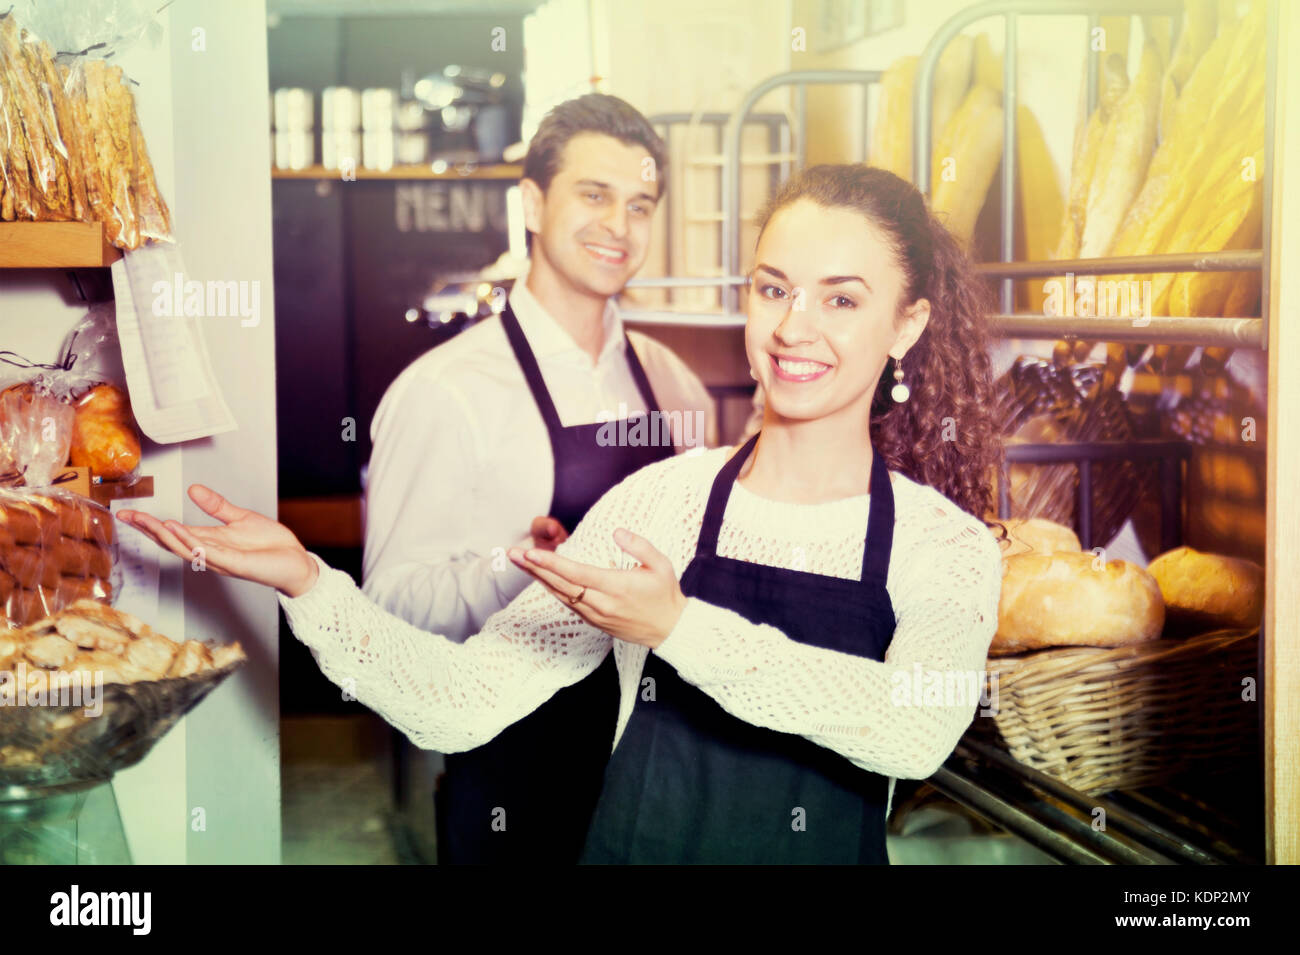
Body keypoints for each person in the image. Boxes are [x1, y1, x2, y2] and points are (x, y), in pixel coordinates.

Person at [118, 163, 1005, 865]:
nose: (792, 327)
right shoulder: (659, 502)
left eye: (841, 299)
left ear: (907, 325)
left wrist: (677, 626)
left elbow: (912, 728)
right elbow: (460, 703)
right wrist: (309, 582)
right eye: (773, 289)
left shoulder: (945, 546)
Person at [359, 93, 714, 863]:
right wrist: (513, 572)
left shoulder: (676, 386)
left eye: (640, 204)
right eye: (594, 195)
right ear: (531, 202)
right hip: (515, 783)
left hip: (659, 774)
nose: (618, 226)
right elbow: (386, 608)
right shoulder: (445, 391)